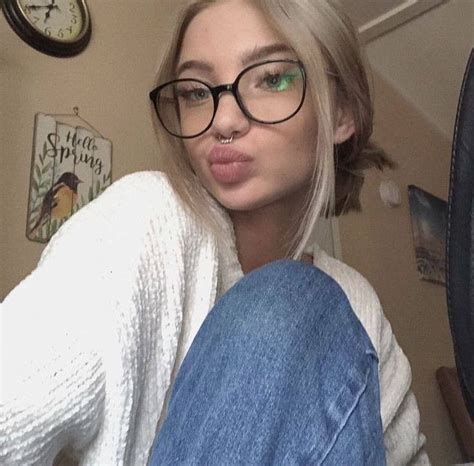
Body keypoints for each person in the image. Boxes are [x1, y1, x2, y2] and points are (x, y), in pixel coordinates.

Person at [0, 0, 429, 464]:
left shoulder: (358, 301)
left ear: (341, 113)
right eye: (194, 92)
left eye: (272, 78)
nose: (223, 122)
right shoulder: (144, 220)